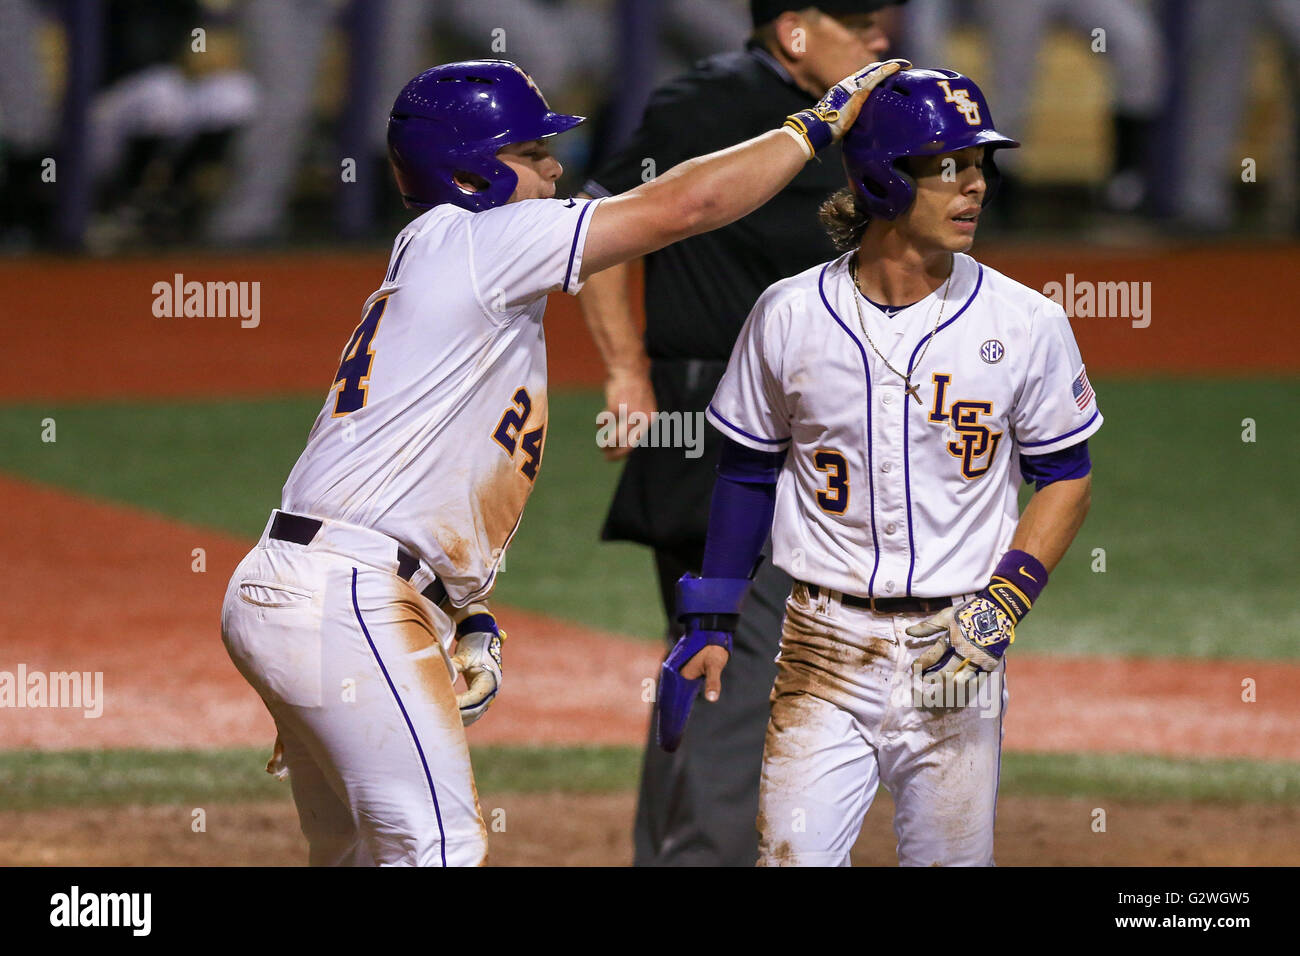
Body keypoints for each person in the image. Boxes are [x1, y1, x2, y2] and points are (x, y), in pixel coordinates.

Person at [219, 55, 907, 867]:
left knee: (363, 855)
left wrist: (462, 609)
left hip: (319, 589)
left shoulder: (453, 265)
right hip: (346, 596)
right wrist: (814, 126)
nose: (556, 167)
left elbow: (403, 473)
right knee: (439, 848)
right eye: (532, 153)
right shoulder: (478, 239)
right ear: (472, 175)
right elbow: (683, 206)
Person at [659, 67, 1099, 866]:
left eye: (981, 167)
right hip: (823, 647)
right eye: (949, 167)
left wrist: (1004, 603)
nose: (976, 187)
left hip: (957, 647)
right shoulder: (789, 314)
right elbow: (748, 471)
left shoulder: (1027, 321)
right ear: (883, 180)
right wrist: (713, 614)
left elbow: (1066, 473)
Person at [577, 0, 904, 867]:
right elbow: (599, 218)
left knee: (709, 656)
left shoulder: (847, 115)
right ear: (794, 29)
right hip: (715, 432)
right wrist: (625, 370)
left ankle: (673, 853)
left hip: (772, 431)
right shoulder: (717, 98)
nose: (882, 39)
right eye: (862, 23)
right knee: (751, 662)